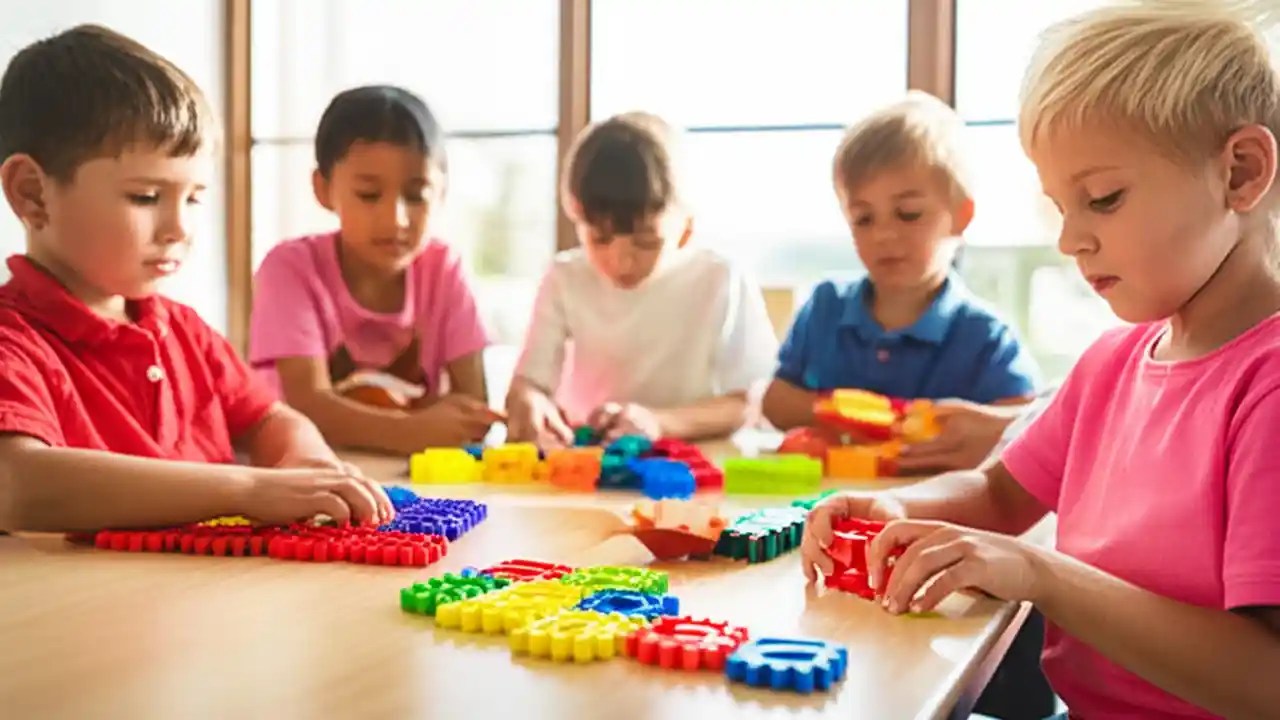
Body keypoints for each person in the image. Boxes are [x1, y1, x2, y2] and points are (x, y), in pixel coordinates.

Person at [802, 3, 1280, 717]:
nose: (1071, 240)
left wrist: (1040, 573)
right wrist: (895, 507)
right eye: (1061, 206)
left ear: (1240, 173)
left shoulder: (1265, 387)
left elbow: (1265, 681)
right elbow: (998, 494)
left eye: (1102, 199)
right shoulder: (1113, 362)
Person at [0, 26, 391, 533]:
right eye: (145, 197)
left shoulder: (184, 332)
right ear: (33, 194)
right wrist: (251, 490)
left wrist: (309, 465)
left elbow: (270, 419)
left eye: (193, 198)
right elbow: (19, 484)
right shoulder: (14, 343)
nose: (179, 228)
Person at [762, 92, 1039, 432]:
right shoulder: (825, 306)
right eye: (863, 219)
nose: (883, 235)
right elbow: (776, 403)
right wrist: (846, 413)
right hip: (829, 484)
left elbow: (1026, 428)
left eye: (908, 215)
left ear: (960, 216)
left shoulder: (986, 336)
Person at [249, 86, 498, 453]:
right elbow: (307, 406)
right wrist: (415, 431)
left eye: (416, 196)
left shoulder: (443, 268)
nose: (395, 219)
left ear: (442, 192)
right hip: (303, 474)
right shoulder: (290, 268)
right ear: (323, 189)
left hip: (410, 481)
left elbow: (474, 410)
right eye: (368, 195)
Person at [506, 112, 778, 446]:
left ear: (686, 228)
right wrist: (530, 402)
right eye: (599, 240)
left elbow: (747, 402)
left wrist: (657, 422)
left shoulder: (720, 279)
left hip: (692, 465)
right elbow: (529, 384)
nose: (620, 261)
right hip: (589, 462)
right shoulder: (565, 278)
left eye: (647, 242)